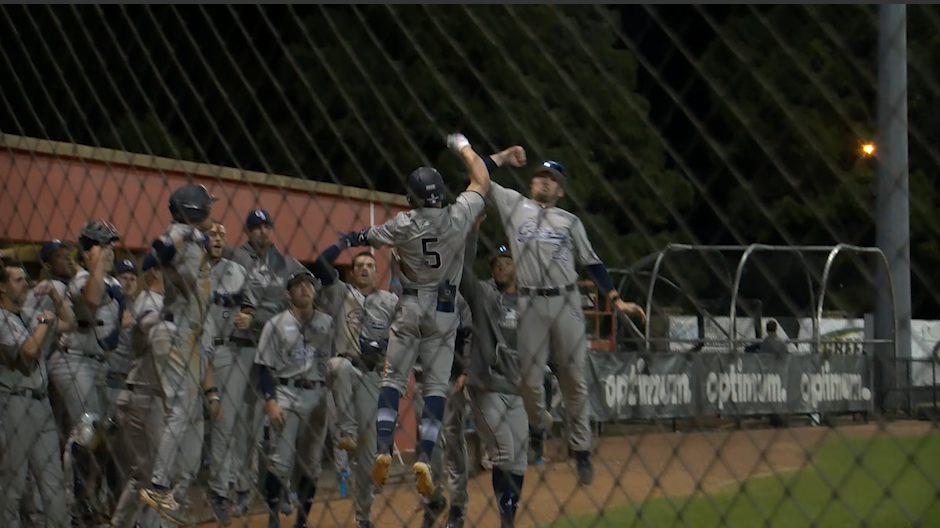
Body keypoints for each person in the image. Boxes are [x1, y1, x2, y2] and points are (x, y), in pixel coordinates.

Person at [340, 133, 506, 497]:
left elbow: (368, 237)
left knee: (392, 382)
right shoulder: (457, 216)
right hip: (445, 310)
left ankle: (384, 448)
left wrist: (351, 238)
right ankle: (425, 458)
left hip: (411, 306)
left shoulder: (402, 223)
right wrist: (462, 146)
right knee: (434, 389)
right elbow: (481, 179)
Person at [483, 153, 646, 484]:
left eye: (552, 178)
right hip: (529, 301)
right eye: (540, 176)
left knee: (574, 379)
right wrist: (500, 157)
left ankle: (581, 451)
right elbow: (478, 173)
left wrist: (615, 299)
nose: (545, 180)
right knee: (529, 381)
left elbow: (593, 263)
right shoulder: (514, 205)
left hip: (567, 301)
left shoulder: (570, 221)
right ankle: (539, 428)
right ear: (531, 183)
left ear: (560, 190)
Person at [139, 183, 223, 526]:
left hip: (182, 331)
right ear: (195, 210)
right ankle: (159, 485)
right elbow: (155, 253)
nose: (212, 211)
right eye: (207, 206)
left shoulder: (190, 235)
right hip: (178, 332)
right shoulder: (182, 231)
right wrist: (181, 241)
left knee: (183, 411)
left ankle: (165, 486)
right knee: (181, 410)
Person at [311, 246, 398, 528]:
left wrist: (384, 348)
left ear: (376, 271)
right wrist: (346, 241)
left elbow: (405, 336)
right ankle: (345, 429)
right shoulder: (341, 293)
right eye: (358, 265)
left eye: (369, 265)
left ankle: (363, 517)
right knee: (340, 365)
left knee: (367, 455)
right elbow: (321, 263)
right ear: (352, 270)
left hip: (372, 376)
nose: (363, 269)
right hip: (345, 369)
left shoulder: (389, 300)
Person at [227, 208, 306, 517]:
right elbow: (233, 301)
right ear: (248, 231)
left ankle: (280, 489)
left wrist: (258, 316)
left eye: (266, 226)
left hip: (277, 352)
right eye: (256, 227)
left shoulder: (287, 264)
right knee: (245, 427)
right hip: (245, 350)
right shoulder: (236, 258)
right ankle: (243, 491)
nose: (262, 231)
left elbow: (302, 301)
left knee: (280, 426)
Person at [47, 219, 126, 524]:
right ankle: (73, 502)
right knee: (85, 429)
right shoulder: (82, 280)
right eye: (103, 245)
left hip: (98, 364)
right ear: (88, 251)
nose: (109, 251)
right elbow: (89, 307)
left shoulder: (113, 282)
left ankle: (89, 495)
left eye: (110, 245)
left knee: (103, 433)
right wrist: (95, 266)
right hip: (73, 360)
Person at [459, 215, 529, 528]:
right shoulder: (484, 295)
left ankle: (509, 518)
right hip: (486, 384)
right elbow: (461, 274)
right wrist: (472, 233)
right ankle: (506, 519)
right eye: (496, 263)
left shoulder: (530, 300)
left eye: (507, 262)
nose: (501, 267)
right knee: (503, 451)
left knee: (519, 459)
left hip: (517, 388)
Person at [255, 269, 334, 528]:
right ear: (288, 292)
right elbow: (264, 366)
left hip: (318, 396)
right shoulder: (275, 324)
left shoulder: (327, 323)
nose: (304, 289)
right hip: (286, 394)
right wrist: (270, 401)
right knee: (279, 461)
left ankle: (302, 521)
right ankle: (273, 516)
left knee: (311, 464)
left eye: (308, 284)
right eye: (298, 285)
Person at [0, 260, 75, 528]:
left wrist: (55, 297)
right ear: (2, 287)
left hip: (42, 403)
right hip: (14, 404)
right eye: (18, 280)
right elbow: (28, 353)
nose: (27, 285)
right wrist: (44, 322)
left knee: (52, 479)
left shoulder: (28, 313)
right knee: (13, 482)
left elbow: (69, 322)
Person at [202, 220, 258, 526]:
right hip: (190, 350)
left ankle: (223, 491)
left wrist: (247, 318)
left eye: (222, 233)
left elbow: (250, 306)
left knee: (226, 423)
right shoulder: (192, 268)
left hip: (224, 351)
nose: (218, 238)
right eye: (212, 233)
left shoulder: (236, 270)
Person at [110, 255, 168, 528]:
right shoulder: (149, 301)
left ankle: (121, 523)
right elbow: (145, 328)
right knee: (158, 470)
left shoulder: (159, 302)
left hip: (145, 393)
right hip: (146, 395)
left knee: (143, 472)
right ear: (156, 272)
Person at [416, 293, 473, 528]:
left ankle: (458, 506)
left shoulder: (458, 296)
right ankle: (433, 500)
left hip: (452, 379)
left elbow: (469, 335)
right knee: (428, 447)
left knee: (453, 442)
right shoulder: (416, 295)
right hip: (425, 379)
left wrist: (466, 370)